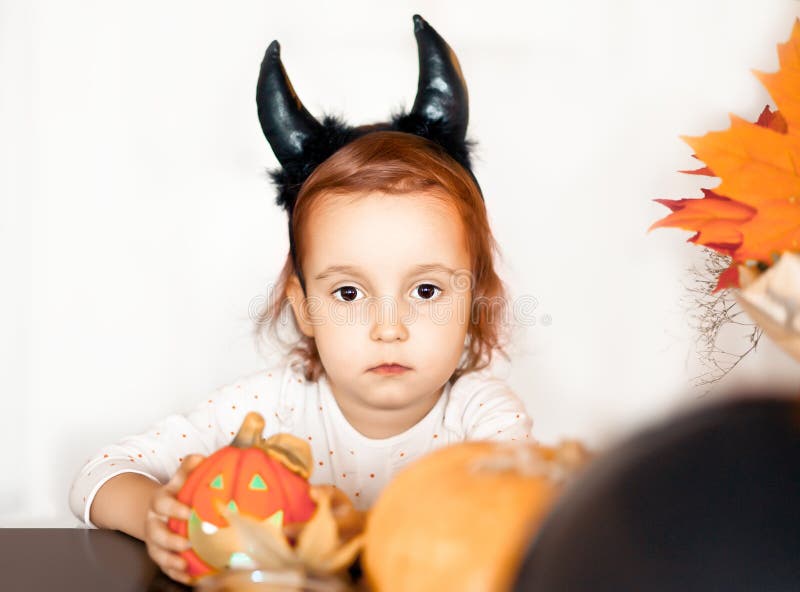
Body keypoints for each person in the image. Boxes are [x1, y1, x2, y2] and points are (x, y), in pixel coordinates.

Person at [68, 14, 533, 585]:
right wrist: (159, 516)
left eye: (427, 290)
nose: (389, 328)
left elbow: (519, 517)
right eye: (347, 292)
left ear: (474, 299)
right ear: (304, 305)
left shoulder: (483, 418)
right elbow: (99, 475)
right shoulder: (266, 412)